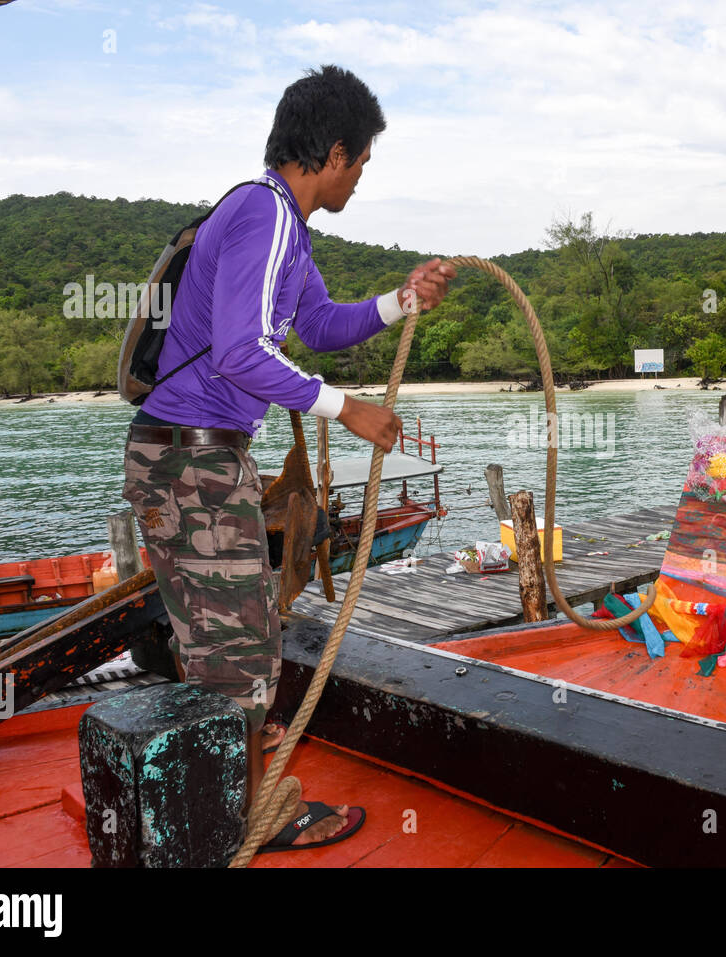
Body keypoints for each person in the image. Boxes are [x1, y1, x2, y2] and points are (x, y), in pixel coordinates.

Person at [120, 65, 455, 852]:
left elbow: (325, 325)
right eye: (363, 162)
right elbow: (241, 352)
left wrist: (404, 300)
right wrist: (349, 409)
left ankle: (214, 806)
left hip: (195, 461)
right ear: (335, 152)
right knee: (239, 662)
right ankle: (234, 823)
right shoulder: (264, 214)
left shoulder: (286, 233)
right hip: (190, 464)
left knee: (230, 648)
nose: (362, 178)